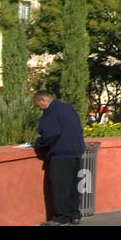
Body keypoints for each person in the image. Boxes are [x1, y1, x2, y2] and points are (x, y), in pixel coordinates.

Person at [32, 90, 86, 226]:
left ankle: (60, 218)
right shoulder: (68, 108)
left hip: (61, 153)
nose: (39, 108)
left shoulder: (51, 112)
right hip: (76, 151)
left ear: (43, 101)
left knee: (60, 186)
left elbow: (51, 133)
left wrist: (39, 143)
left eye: (38, 105)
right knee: (73, 186)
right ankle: (74, 215)